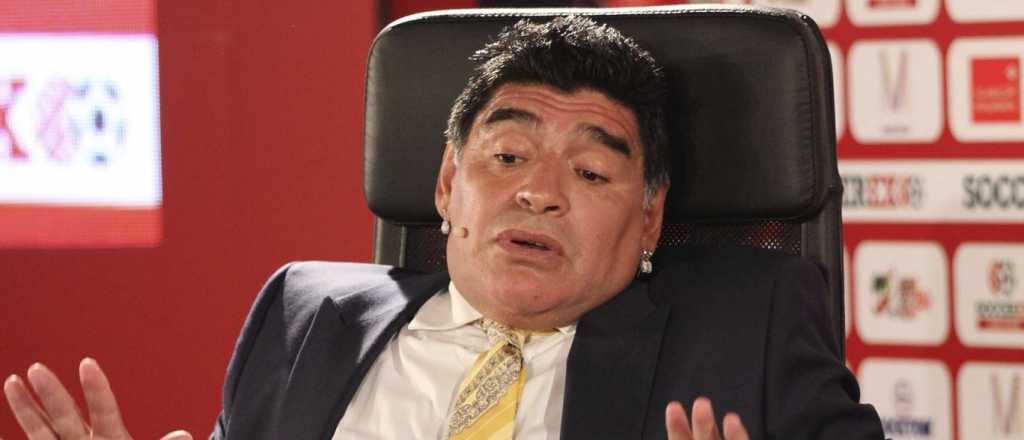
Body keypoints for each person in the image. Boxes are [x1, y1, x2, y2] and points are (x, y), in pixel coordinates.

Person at [3, 15, 884, 440]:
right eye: (507, 156)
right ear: (446, 185)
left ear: (650, 217)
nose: (538, 193)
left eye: (589, 172)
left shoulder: (746, 330)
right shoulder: (306, 313)